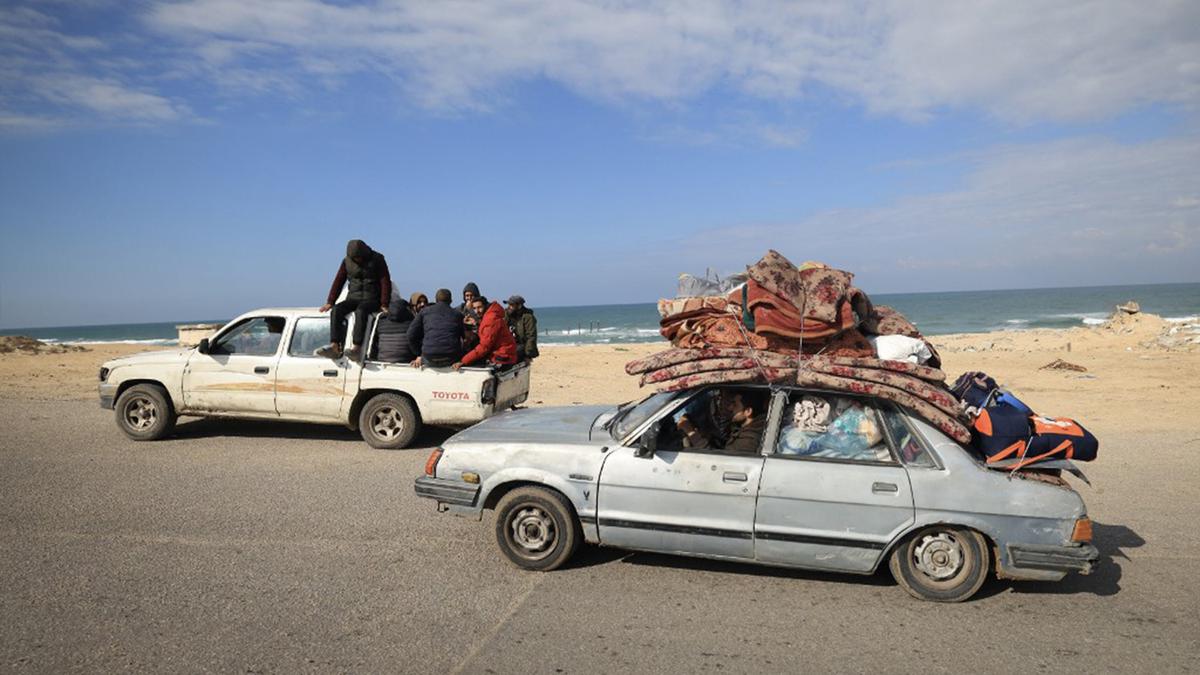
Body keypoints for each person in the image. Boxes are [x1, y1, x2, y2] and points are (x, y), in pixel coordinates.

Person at [317, 239, 391, 360]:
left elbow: (385, 281)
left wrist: (384, 303)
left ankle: (357, 348)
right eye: (354, 258)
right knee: (336, 310)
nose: (357, 260)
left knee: (361, 311)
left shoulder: (377, 259)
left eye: (359, 257)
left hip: (372, 298)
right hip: (353, 297)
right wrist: (330, 302)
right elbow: (339, 280)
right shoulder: (346, 261)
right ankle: (334, 346)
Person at [677, 389, 766, 454]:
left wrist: (691, 433)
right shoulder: (749, 425)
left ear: (748, 411)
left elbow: (716, 462)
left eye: (735, 404)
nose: (730, 407)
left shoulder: (747, 442)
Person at [454, 296, 518, 370]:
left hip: (503, 357)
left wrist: (463, 361)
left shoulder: (491, 319)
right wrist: (476, 323)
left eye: (479, 307)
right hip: (505, 353)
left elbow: (484, 347)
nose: (477, 311)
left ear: (485, 306)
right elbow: (487, 333)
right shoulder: (490, 315)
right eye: (474, 308)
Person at [407, 288, 464, 368]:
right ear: (451, 301)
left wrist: (419, 354)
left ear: (436, 300)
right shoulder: (458, 315)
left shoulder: (424, 312)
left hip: (429, 358)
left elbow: (410, 335)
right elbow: (465, 338)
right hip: (451, 358)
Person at [374, 297, 416, 363]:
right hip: (405, 360)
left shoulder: (381, 322)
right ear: (406, 309)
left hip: (382, 359)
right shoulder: (411, 323)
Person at [504, 295, 539, 361]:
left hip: (521, 345)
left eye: (512, 305)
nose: (509, 307)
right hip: (509, 344)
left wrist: (528, 355)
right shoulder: (506, 314)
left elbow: (531, 337)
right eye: (508, 305)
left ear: (519, 306)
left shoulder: (528, 317)